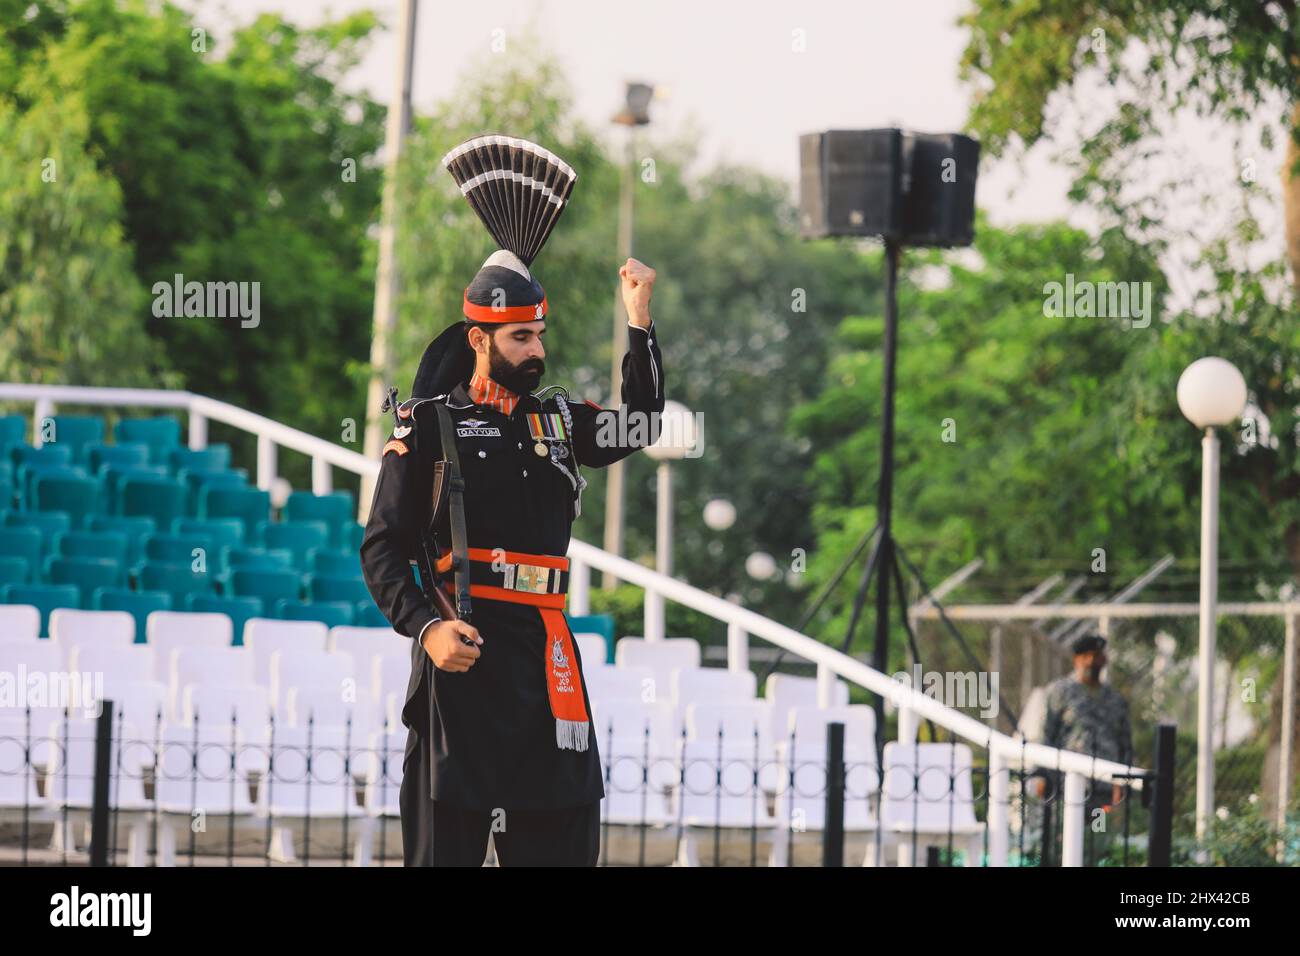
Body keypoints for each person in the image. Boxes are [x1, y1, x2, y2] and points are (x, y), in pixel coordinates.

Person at [360, 134, 665, 866]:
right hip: (462, 658)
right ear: (479, 338)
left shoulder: (557, 419)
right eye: (521, 337)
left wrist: (639, 317)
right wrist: (427, 630)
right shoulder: (427, 427)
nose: (537, 350)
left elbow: (642, 423)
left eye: (541, 335)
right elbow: (382, 547)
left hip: (548, 664)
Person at [1036, 633, 1134, 863]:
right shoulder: (1060, 692)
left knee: (1097, 843)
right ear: (1077, 659)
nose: (1094, 661)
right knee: (1061, 844)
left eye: (1099, 656)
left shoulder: (1115, 700)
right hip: (1064, 788)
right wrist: (1042, 774)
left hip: (1101, 792)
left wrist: (1122, 782)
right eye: (1089, 656)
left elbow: (1125, 743)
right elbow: (1046, 735)